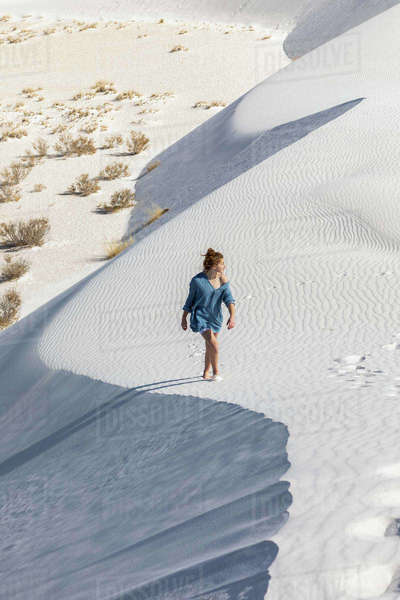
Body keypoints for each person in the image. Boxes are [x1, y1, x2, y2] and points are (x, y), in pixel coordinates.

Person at [181, 248, 236, 381]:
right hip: (200, 318)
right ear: (213, 265)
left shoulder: (223, 281)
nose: (224, 266)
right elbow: (190, 300)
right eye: (221, 263)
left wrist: (232, 316)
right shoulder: (197, 281)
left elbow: (229, 299)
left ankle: (206, 372)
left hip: (215, 318)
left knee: (209, 346)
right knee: (214, 345)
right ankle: (216, 373)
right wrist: (184, 318)